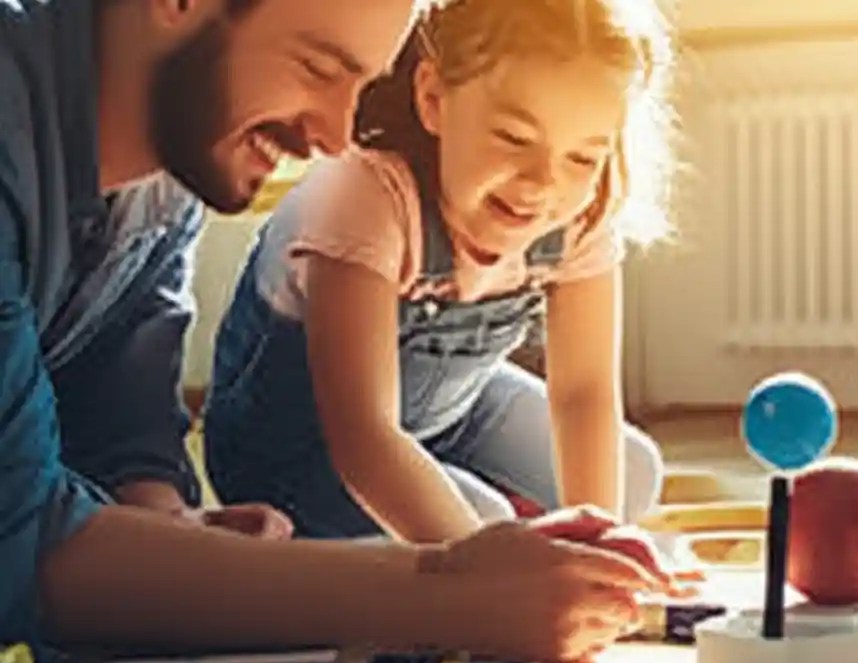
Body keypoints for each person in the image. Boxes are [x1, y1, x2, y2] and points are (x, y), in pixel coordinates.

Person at [1, 0, 672, 663]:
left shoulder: (170, 176)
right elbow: (22, 543)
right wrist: (452, 595)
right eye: (319, 66)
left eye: (361, 86)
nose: (335, 136)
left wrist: (167, 519)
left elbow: (123, 416)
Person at [201, 0, 677, 543]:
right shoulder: (364, 195)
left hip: (448, 418)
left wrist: (599, 543)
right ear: (433, 100)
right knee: (486, 525)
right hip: (305, 451)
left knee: (633, 475)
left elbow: (584, 392)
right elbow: (365, 439)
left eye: (583, 158)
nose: (542, 183)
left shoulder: (579, 212)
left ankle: (472, 506)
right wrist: (487, 568)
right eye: (515, 139)